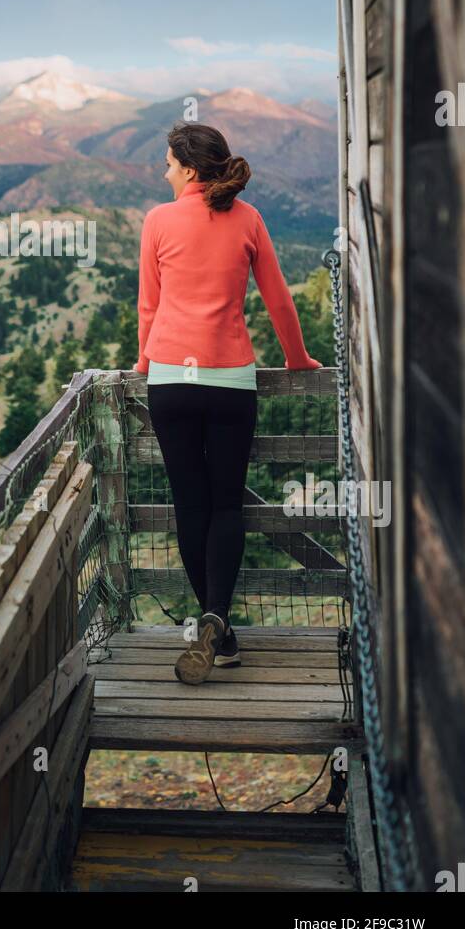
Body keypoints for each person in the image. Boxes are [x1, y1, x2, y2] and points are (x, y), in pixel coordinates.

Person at [133, 122, 321, 685]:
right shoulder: (250, 219)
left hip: (170, 378)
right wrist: (298, 359)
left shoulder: (157, 221)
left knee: (190, 506)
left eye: (169, 163)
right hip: (230, 379)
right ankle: (218, 621)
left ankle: (216, 627)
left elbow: (149, 306)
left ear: (190, 169)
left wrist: (146, 364)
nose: (164, 172)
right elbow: (278, 297)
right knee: (227, 507)